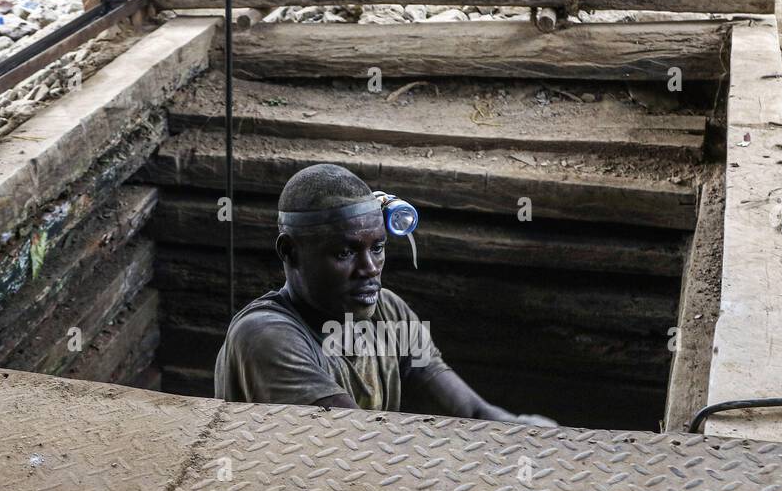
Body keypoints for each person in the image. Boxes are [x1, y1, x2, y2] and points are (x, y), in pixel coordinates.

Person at [214, 163, 555, 425]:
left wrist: (524, 430)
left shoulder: (386, 311)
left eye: (377, 248)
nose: (370, 268)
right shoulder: (265, 337)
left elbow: (471, 410)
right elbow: (358, 440)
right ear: (290, 251)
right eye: (345, 253)